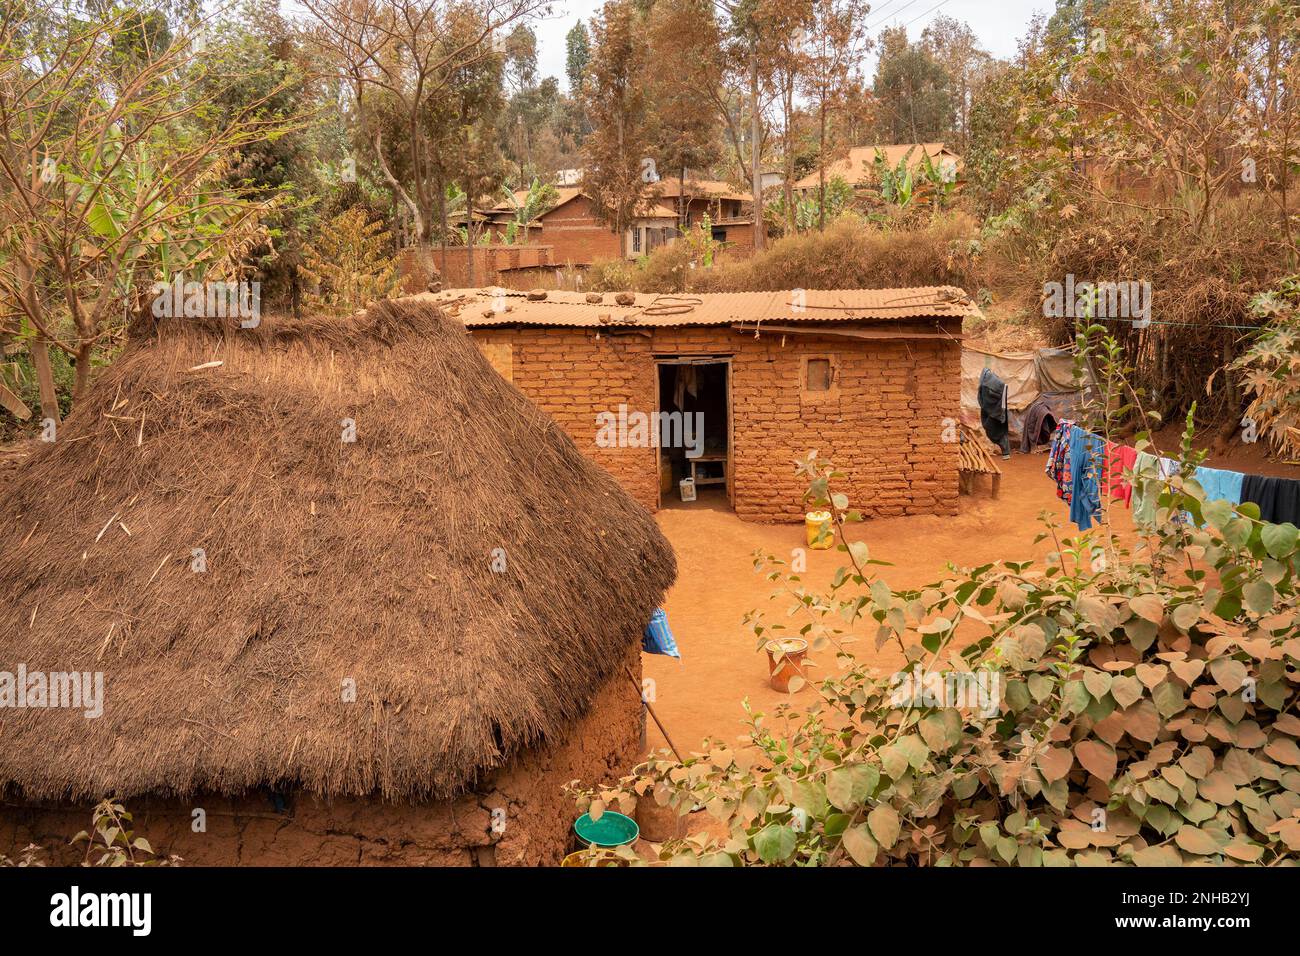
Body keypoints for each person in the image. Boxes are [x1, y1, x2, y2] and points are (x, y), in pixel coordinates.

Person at [978, 367, 1011, 459]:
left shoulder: (988, 384)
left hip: (996, 412)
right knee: (998, 432)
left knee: (997, 432)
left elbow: (983, 400)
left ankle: (1006, 453)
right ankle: (1006, 453)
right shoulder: (991, 384)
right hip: (996, 412)